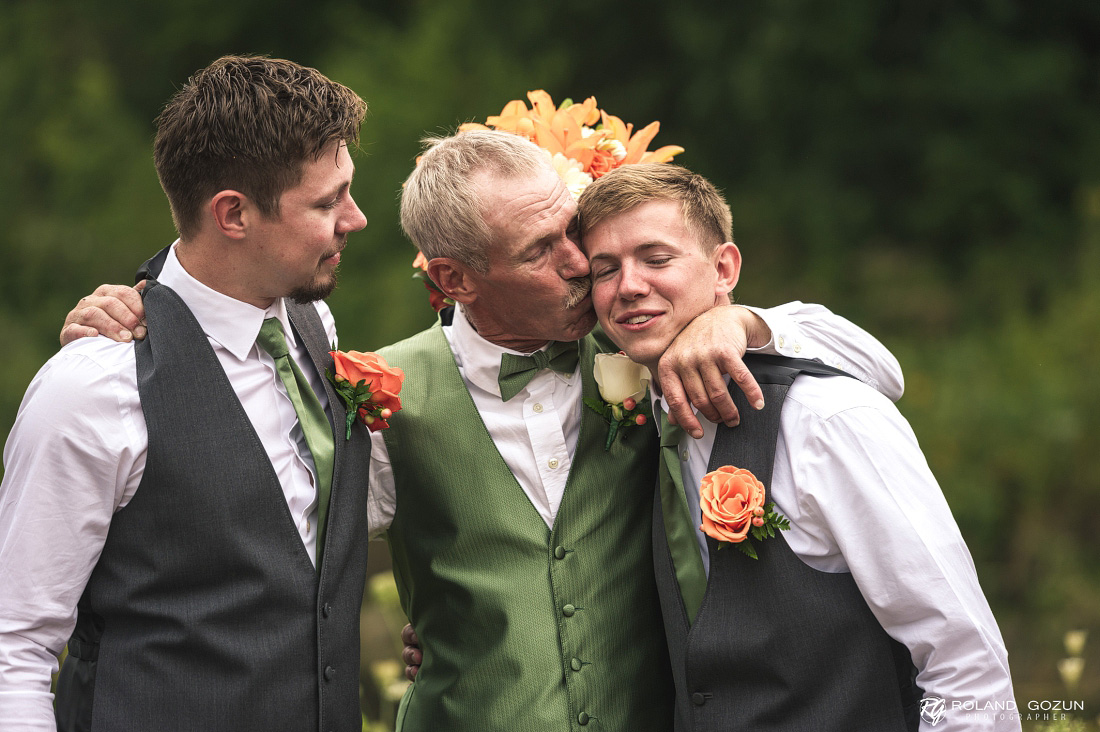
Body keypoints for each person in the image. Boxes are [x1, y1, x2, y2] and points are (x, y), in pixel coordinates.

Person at [60, 129, 904, 730]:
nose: (584, 265)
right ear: (457, 278)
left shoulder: (646, 345)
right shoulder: (373, 398)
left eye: (574, 231)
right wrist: (149, 312)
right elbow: (269, 560)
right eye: (545, 250)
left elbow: (877, 370)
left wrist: (743, 324)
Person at [0, 56, 373, 732]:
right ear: (233, 213)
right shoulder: (91, 389)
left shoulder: (312, 324)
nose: (358, 217)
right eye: (326, 202)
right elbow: (13, 651)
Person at [578, 162, 1016, 731]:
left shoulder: (828, 420)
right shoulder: (643, 417)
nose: (629, 286)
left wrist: (749, 322)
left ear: (723, 268)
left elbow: (965, 661)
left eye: (657, 260)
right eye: (603, 270)